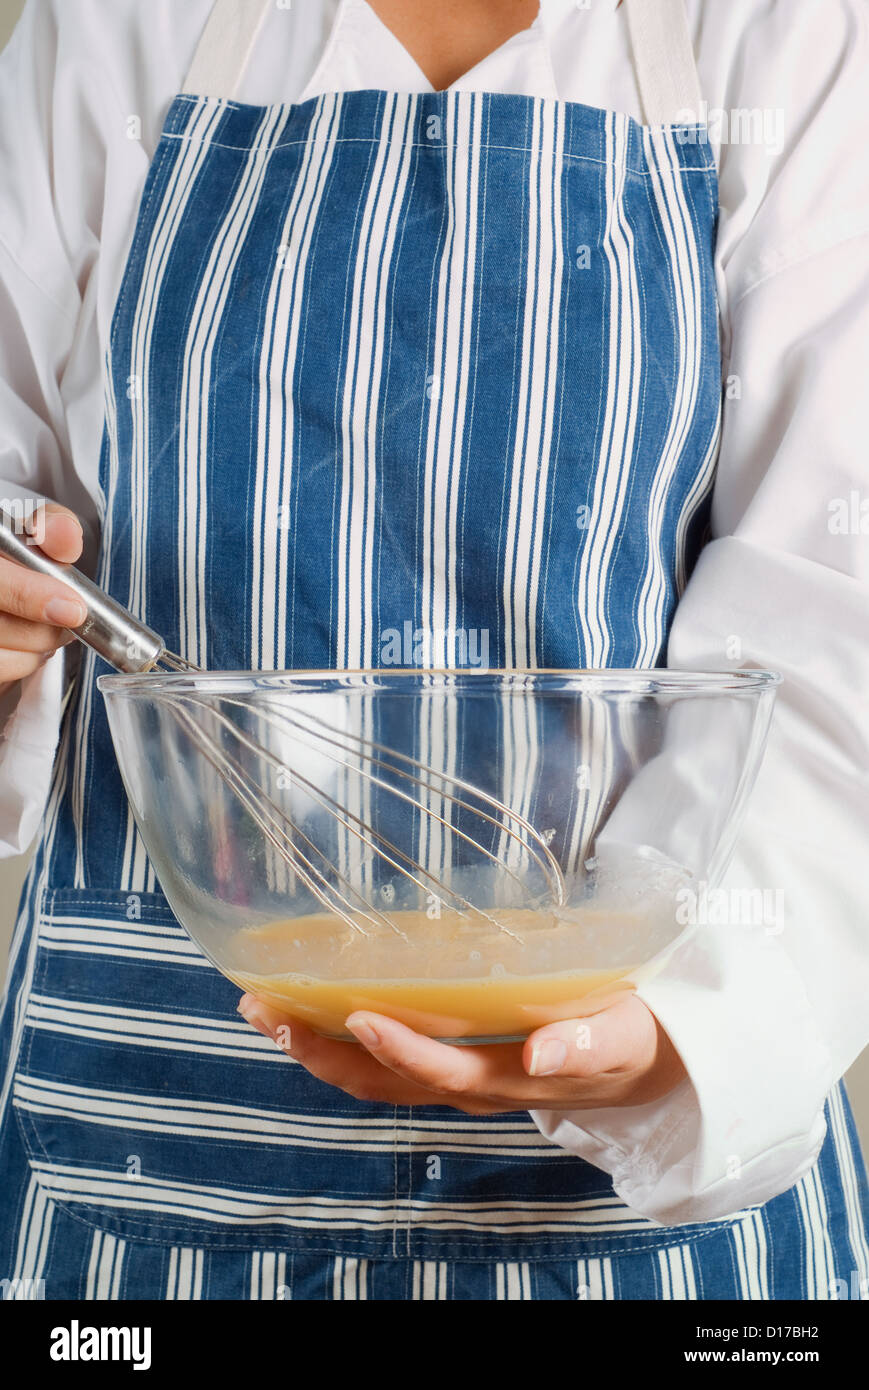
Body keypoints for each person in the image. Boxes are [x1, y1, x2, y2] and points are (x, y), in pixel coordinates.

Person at [0, 0, 867, 1302]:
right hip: (134, 1198)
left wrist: (676, 1027)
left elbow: (833, 611)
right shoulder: (115, 22)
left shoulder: (786, 34)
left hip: (635, 1224)